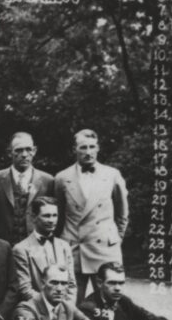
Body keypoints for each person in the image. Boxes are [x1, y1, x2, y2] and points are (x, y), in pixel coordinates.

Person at [54, 129, 129, 303]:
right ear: (74, 149)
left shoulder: (112, 175)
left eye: (92, 147)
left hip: (105, 249)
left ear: (98, 148)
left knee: (108, 303)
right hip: (74, 248)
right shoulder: (62, 178)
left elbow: (122, 213)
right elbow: (59, 216)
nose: (88, 152)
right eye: (83, 147)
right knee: (70, 303)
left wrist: (115, 238)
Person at [0, 132, 54, 245]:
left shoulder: (47, 181)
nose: (24, 154)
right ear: (10, 152)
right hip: (3, 245)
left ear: (34, 151)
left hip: (36, 246)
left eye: (28, 149)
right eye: (18, 150)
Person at [13, 197, 76, 302]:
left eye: (55, 215)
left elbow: (71, 285)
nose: (51, 220)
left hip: (64, 308)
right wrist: (49, 307)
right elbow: (25, 289)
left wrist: (66, 307)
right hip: (36, 307)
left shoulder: (64, 246)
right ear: (34, 217)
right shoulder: (21, 249)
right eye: (46, 216)